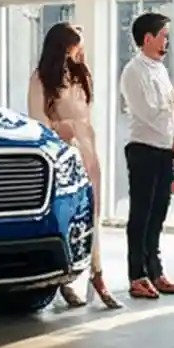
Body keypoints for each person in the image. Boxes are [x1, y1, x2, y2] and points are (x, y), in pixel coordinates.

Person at [27, 23, 121, 309]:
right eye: (73, 46)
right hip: (64, 153)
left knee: (93, 214)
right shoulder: (42, 78)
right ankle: (64, 279)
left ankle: (98, 274)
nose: (77, 52)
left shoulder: (80, 75)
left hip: (88, 151)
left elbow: (86, 111)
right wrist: (61, 127)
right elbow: (37, 120)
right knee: (69, 216)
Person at [118, 12, 174, 300]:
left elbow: (168, 115)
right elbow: (148, 113)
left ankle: (155, 271)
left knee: (159, 214)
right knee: (141, 214)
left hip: (164, 149)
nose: (167, 41)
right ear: (148, 38)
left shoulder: (159, 69)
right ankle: (136, 275)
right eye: (163, 35)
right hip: (143, 150)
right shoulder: (133, 71)